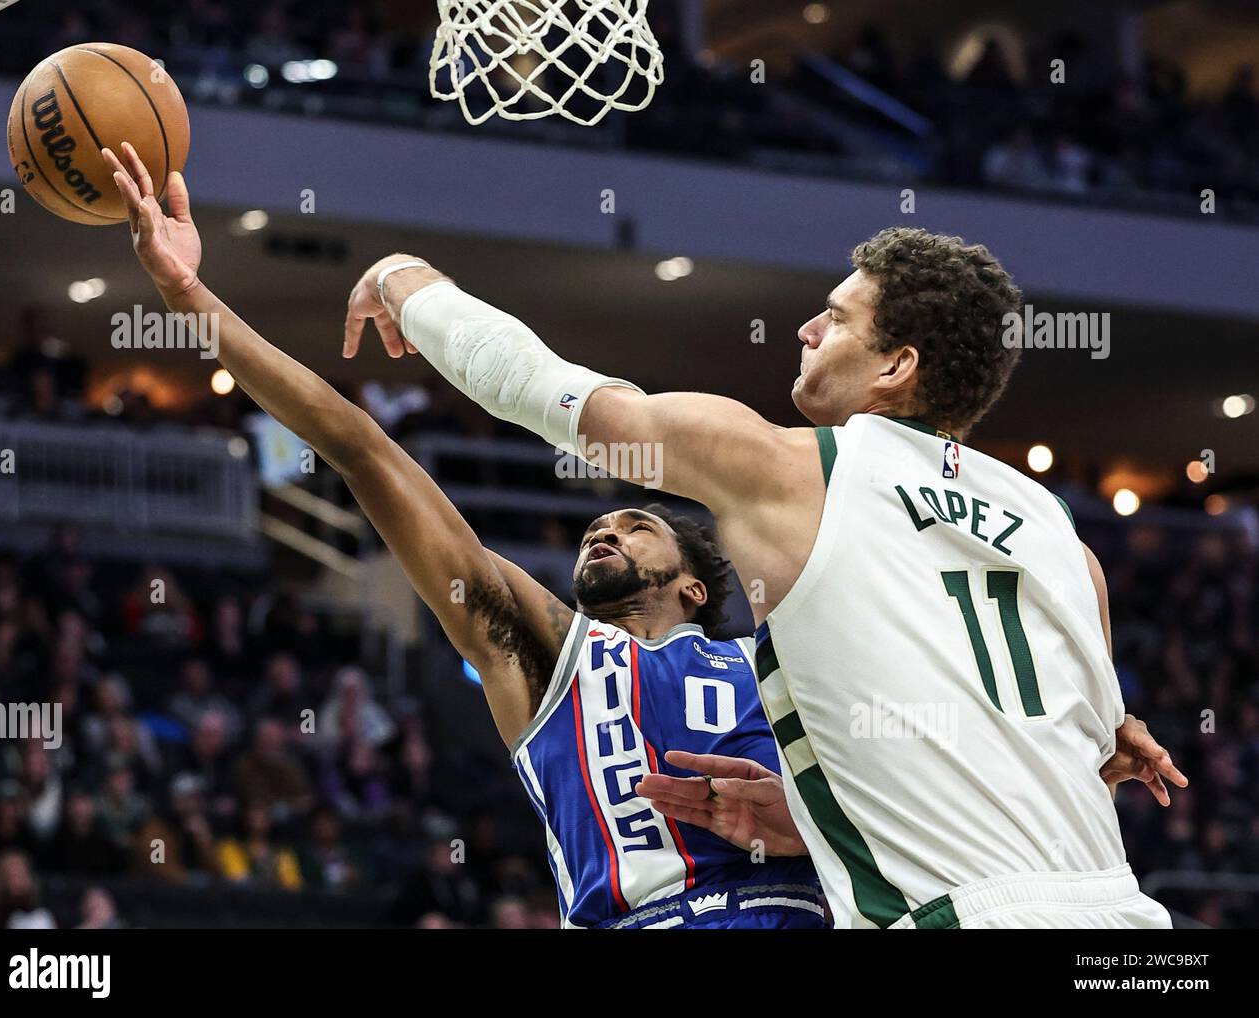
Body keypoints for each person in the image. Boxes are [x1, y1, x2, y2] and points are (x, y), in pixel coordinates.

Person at [339, 224, 1189, 928]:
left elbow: (537, 387)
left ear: (896, 366)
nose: (805, 332)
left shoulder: (792, 468)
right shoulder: (1064, 539)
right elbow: (1095, 747)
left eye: (836, 318)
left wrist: (402, 278)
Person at [104, 144, 824, 929]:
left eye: (636, 524)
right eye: (598, 523)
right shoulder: (551, 651)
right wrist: (188, 293)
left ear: (693, 586)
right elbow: (360, 448)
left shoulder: (775, 662)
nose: (605, 530)